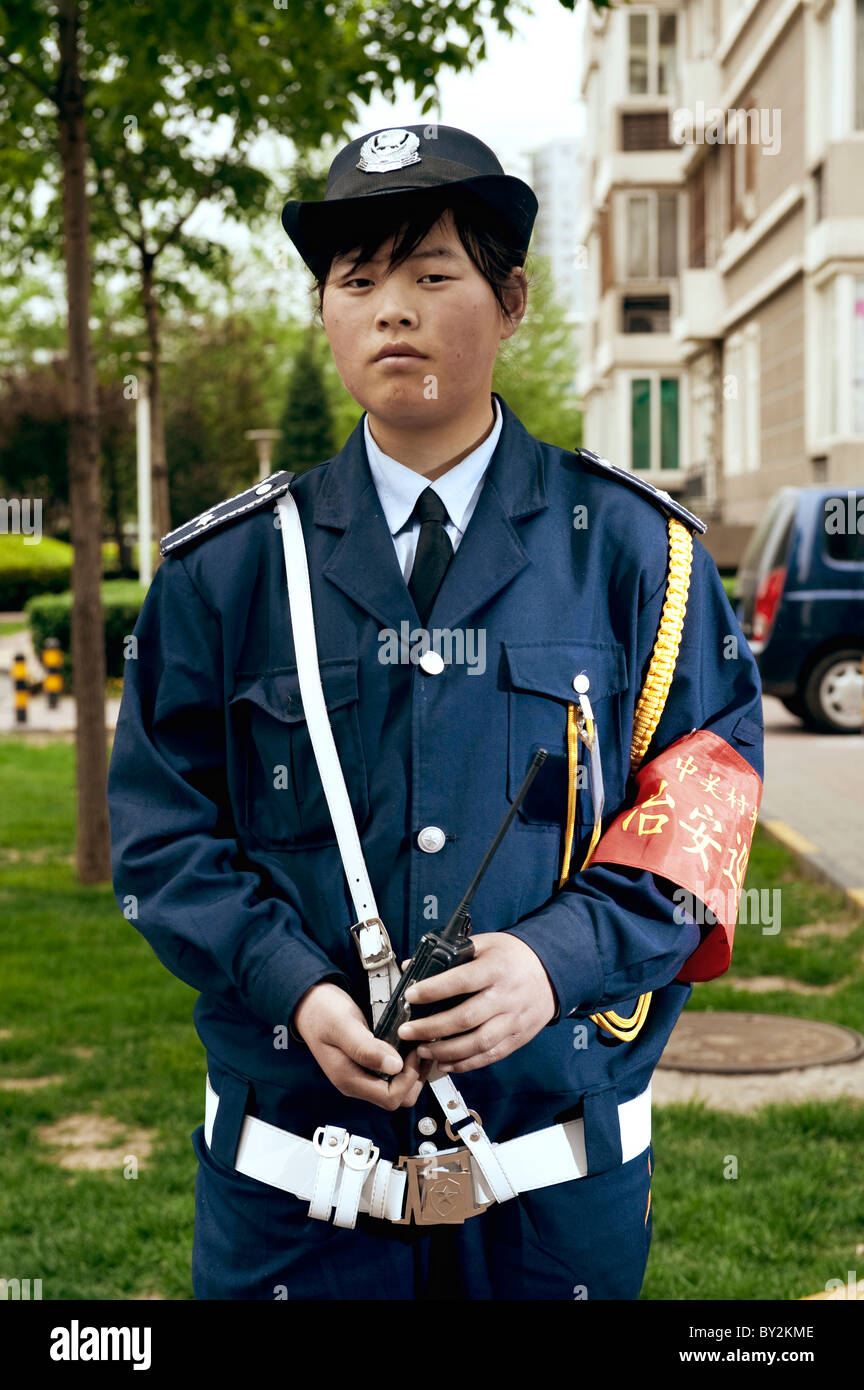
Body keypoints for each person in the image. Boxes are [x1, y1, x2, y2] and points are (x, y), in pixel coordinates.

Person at [107, 123, 765, 1301]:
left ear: (510, 301)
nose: (390, 309)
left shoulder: (633, 554)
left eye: (430, 273)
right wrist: (288, 983)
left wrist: (554, 962)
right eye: (356, 281)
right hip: (292, 1213)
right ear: (325, 313)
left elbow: (702, 811)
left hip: (552, 1208)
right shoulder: (230, 571)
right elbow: (162, 834)